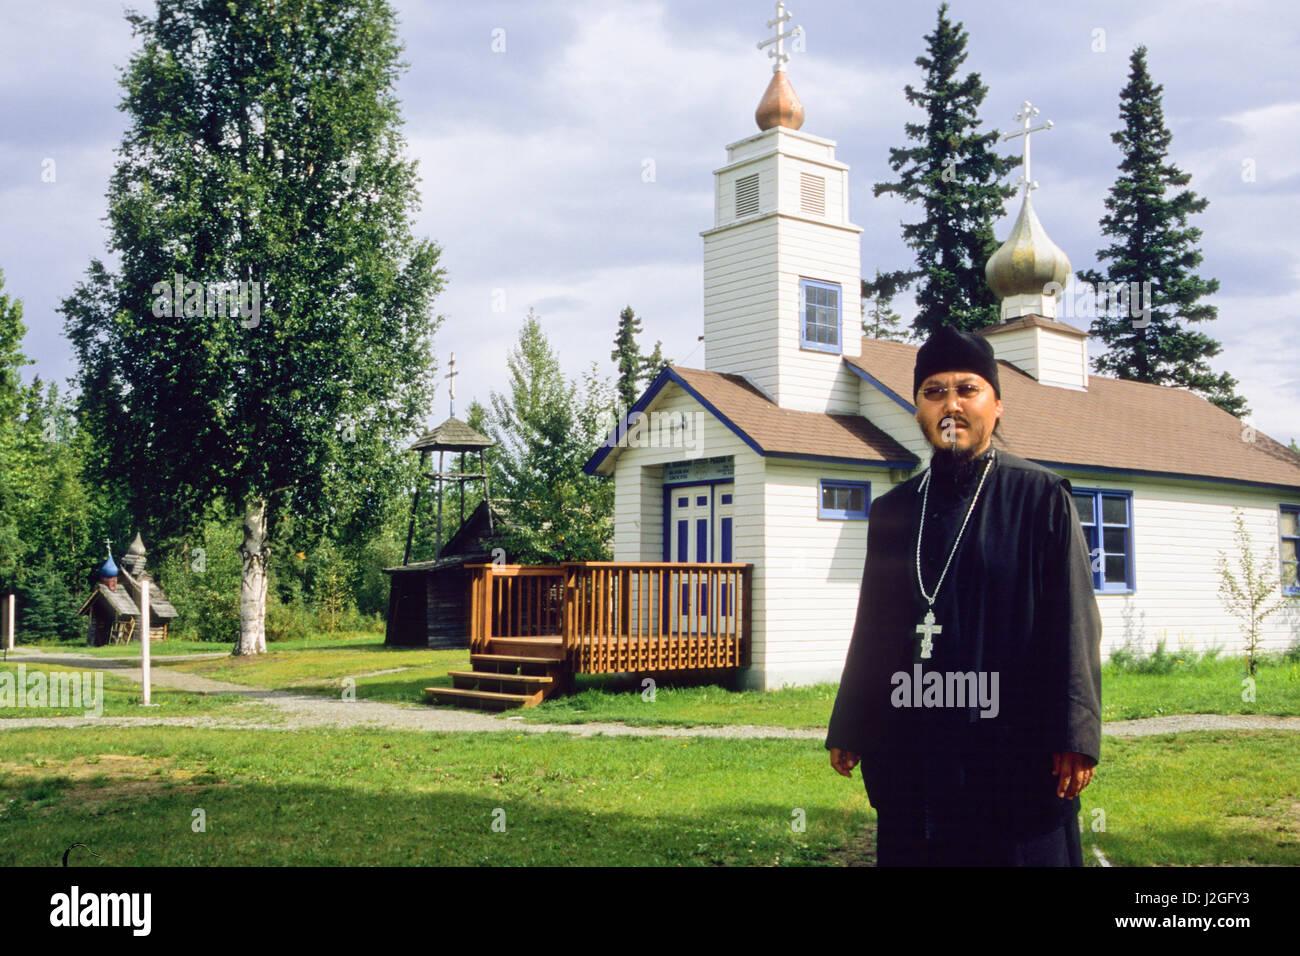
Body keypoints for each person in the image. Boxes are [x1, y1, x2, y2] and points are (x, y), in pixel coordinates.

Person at [825, 324, 1102, 866]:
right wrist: (853, 720)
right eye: (934, 393)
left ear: (996, 406)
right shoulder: (894, 511)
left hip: (1012, 748)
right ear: (918, 410)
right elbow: (874, 628)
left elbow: (1072, 619)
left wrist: (1075, 730)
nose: (950, 405)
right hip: (915, 745)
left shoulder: (1040, 497)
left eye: (967, 390)